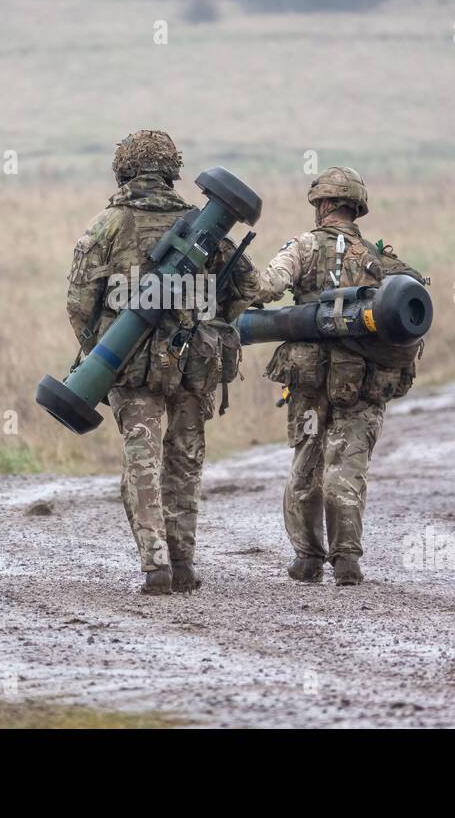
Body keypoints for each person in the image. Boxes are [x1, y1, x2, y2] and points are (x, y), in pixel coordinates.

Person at [66, 130, 258, 595]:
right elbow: (247, 288)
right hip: (195, 362)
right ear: (173, 170)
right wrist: (211, 323)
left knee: (142, 461)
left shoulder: (106, 226)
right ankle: (185, 562)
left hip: (129, 366)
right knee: (185, 460)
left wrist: (101, 350)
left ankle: (156, 565)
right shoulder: (203, 225)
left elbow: (77, 301)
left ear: (124, 170)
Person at [253, 167, 424, 586]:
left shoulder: (304, 247)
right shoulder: (380, 258)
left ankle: (307, 558)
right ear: (357, 207)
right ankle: (346, 560)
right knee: (347, 468)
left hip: (310, 382)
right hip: (363, 384)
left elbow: (266, 287)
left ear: (324, 205)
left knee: (306, 466)